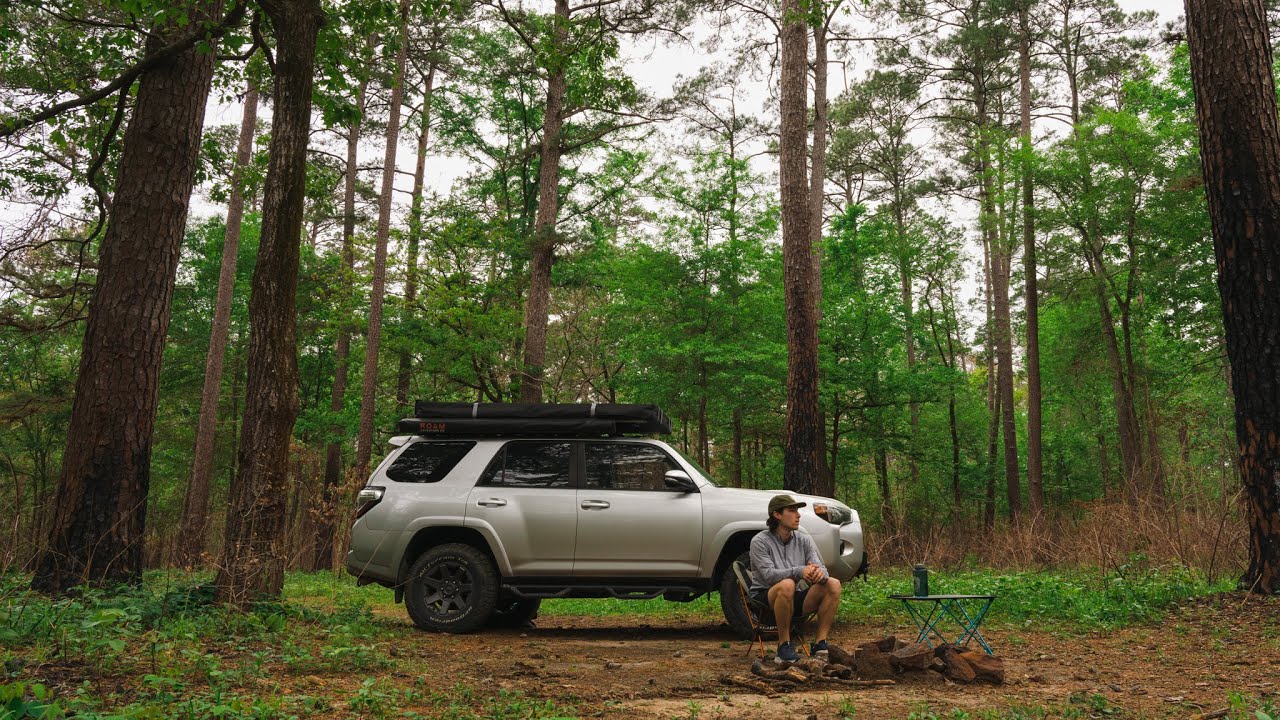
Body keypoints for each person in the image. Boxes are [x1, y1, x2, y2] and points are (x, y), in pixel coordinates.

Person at [748, 494, 843, 663]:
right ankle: (784, 645)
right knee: (787, 584)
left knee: (833, 584)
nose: (798, 515)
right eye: (792, 511)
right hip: (766, 597)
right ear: (777, 515)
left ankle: (820, 644)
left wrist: (819, 574)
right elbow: (769, 576)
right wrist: (800, 571)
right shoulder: (759, 541)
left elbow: (821, 568)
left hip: (794, 596)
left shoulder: (803, 540)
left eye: (797, 511)